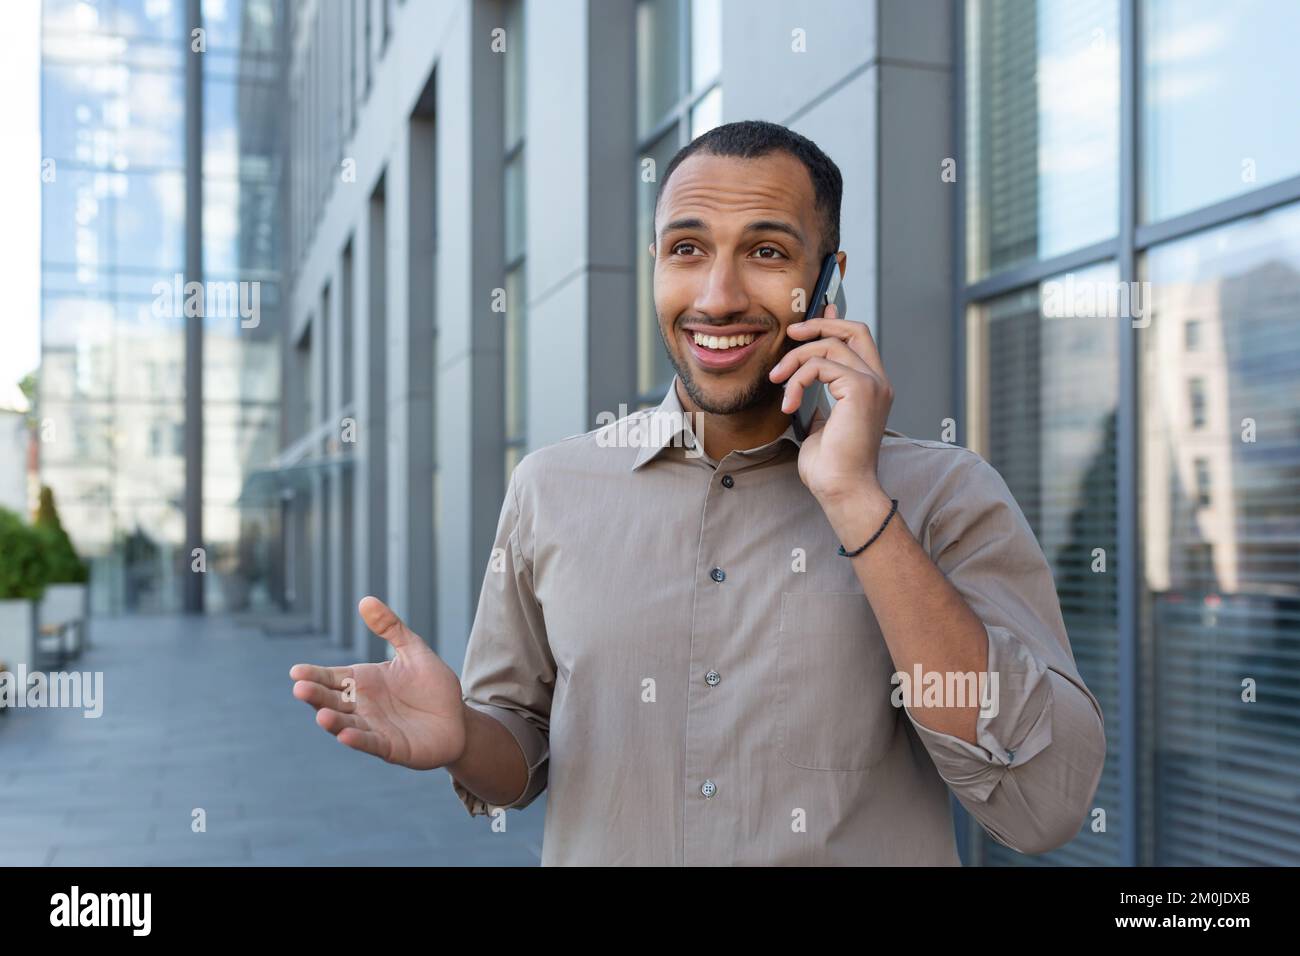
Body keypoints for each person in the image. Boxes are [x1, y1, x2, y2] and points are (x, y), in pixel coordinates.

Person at [290, 119, 1106, 865]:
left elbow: (1043, 808)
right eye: (686, 249)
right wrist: (463, 735)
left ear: (829, 283)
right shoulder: (550, 487)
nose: (716, 297)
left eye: (767, 252)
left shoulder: (946, 494)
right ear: (655, 265)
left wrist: (858, 502)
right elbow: (520, 753)